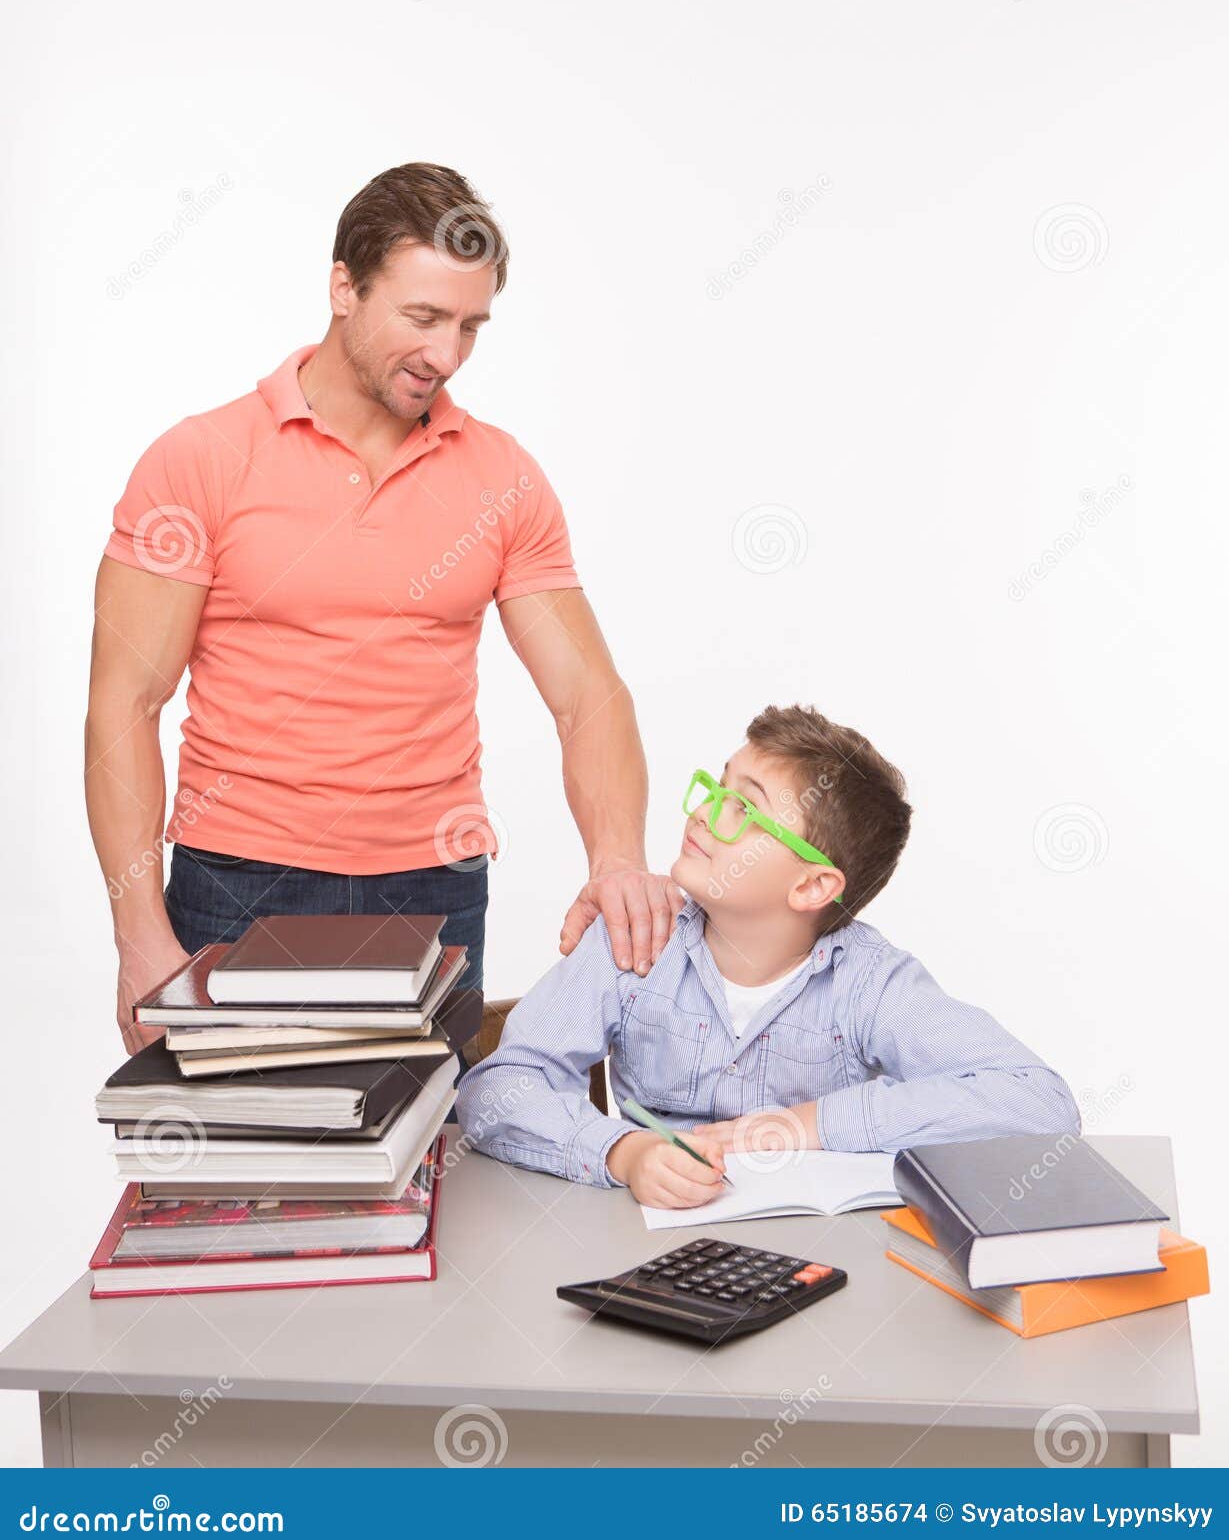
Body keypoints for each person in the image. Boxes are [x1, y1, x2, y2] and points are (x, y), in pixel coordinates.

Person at [86, 162, 681, 1054]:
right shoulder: (200, 458)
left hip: (432, 883)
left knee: (423, 1166)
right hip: (239, 880)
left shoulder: (501, 478)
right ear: (342, 288)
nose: (446, 355)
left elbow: (587, 691)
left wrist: (618, 860)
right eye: (424, 318)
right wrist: (139, 938)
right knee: (244, 1178)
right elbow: (123, 704)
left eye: (471, 327)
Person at [456, 704, 1081, 1209]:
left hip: (822, 1269)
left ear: (811, 886)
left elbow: (1039, 1103)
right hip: (647, 1248)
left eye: (744, 808)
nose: (703, 813)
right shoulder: (637, 937)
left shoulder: (871, 985)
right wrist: (624, 1153)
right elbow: (498, 1090)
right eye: (717, 786)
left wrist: (808, 1125)